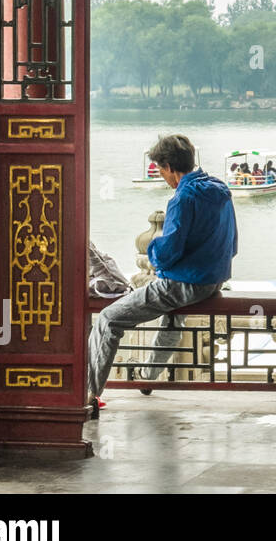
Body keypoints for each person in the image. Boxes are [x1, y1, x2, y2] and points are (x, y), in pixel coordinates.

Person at [87, 134, 237, 413]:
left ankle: (87, 393)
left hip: (185, 282)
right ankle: (147, 376)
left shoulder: (183, 198)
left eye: (160, 170)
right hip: (214, 280)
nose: (162, 177)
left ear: (169, 166)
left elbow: (168, 251)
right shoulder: (220, 189)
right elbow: (233, 243)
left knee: (109, 319)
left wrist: (155, 252)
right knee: (172, 319)